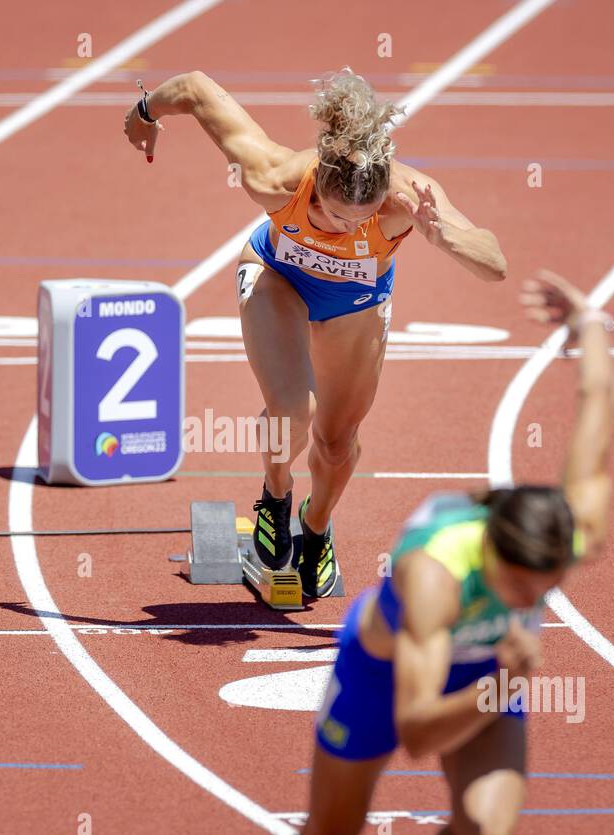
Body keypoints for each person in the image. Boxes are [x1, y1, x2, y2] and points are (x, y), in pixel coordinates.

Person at [270, 270, 614, 835]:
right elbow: (419, 734)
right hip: (386, 676)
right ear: (490, 551)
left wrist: (588, 326)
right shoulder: (435, 578)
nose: (531, 600)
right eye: (518, 588)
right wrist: (500, 684)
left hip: (488, 669)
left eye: (548, 587)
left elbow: (599, 404)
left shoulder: (571, 531)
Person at [124, 68, 506, 596]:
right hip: (278, 276)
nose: (349, 229)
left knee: (336, 441)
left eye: (362, 220)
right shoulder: (274, 175)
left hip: (354, 301)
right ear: (317, 190)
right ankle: (275, 499)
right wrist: (144, 113)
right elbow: (193, 88)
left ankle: (317, 524)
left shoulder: (407, 199)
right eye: (335, 217)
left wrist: (449, 241)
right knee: (291, 409)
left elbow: (496, 264)